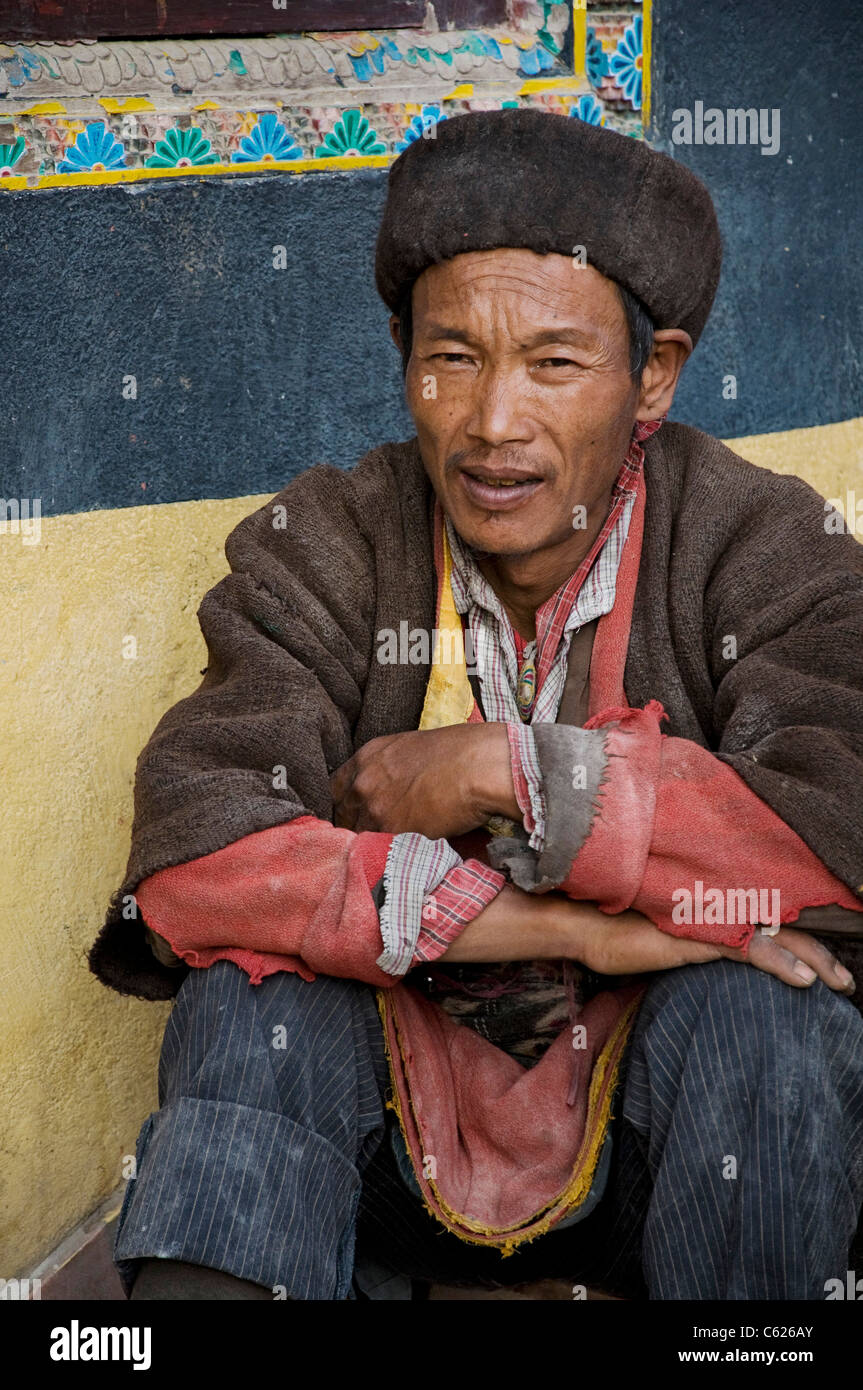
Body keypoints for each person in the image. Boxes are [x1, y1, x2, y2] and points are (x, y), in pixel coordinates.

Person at [89, 109, 863, 1301]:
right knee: (248, 999)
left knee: (773, 1017)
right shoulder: (329, 539)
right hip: (391, 1129)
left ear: (651, 374)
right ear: (402, 354)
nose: (492, 423)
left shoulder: (760, 543)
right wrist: (581, 928)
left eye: (554, 363)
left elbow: (831, 847)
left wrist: (510, 772)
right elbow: (198, 861)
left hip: (649, 1140)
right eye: (449, 358)